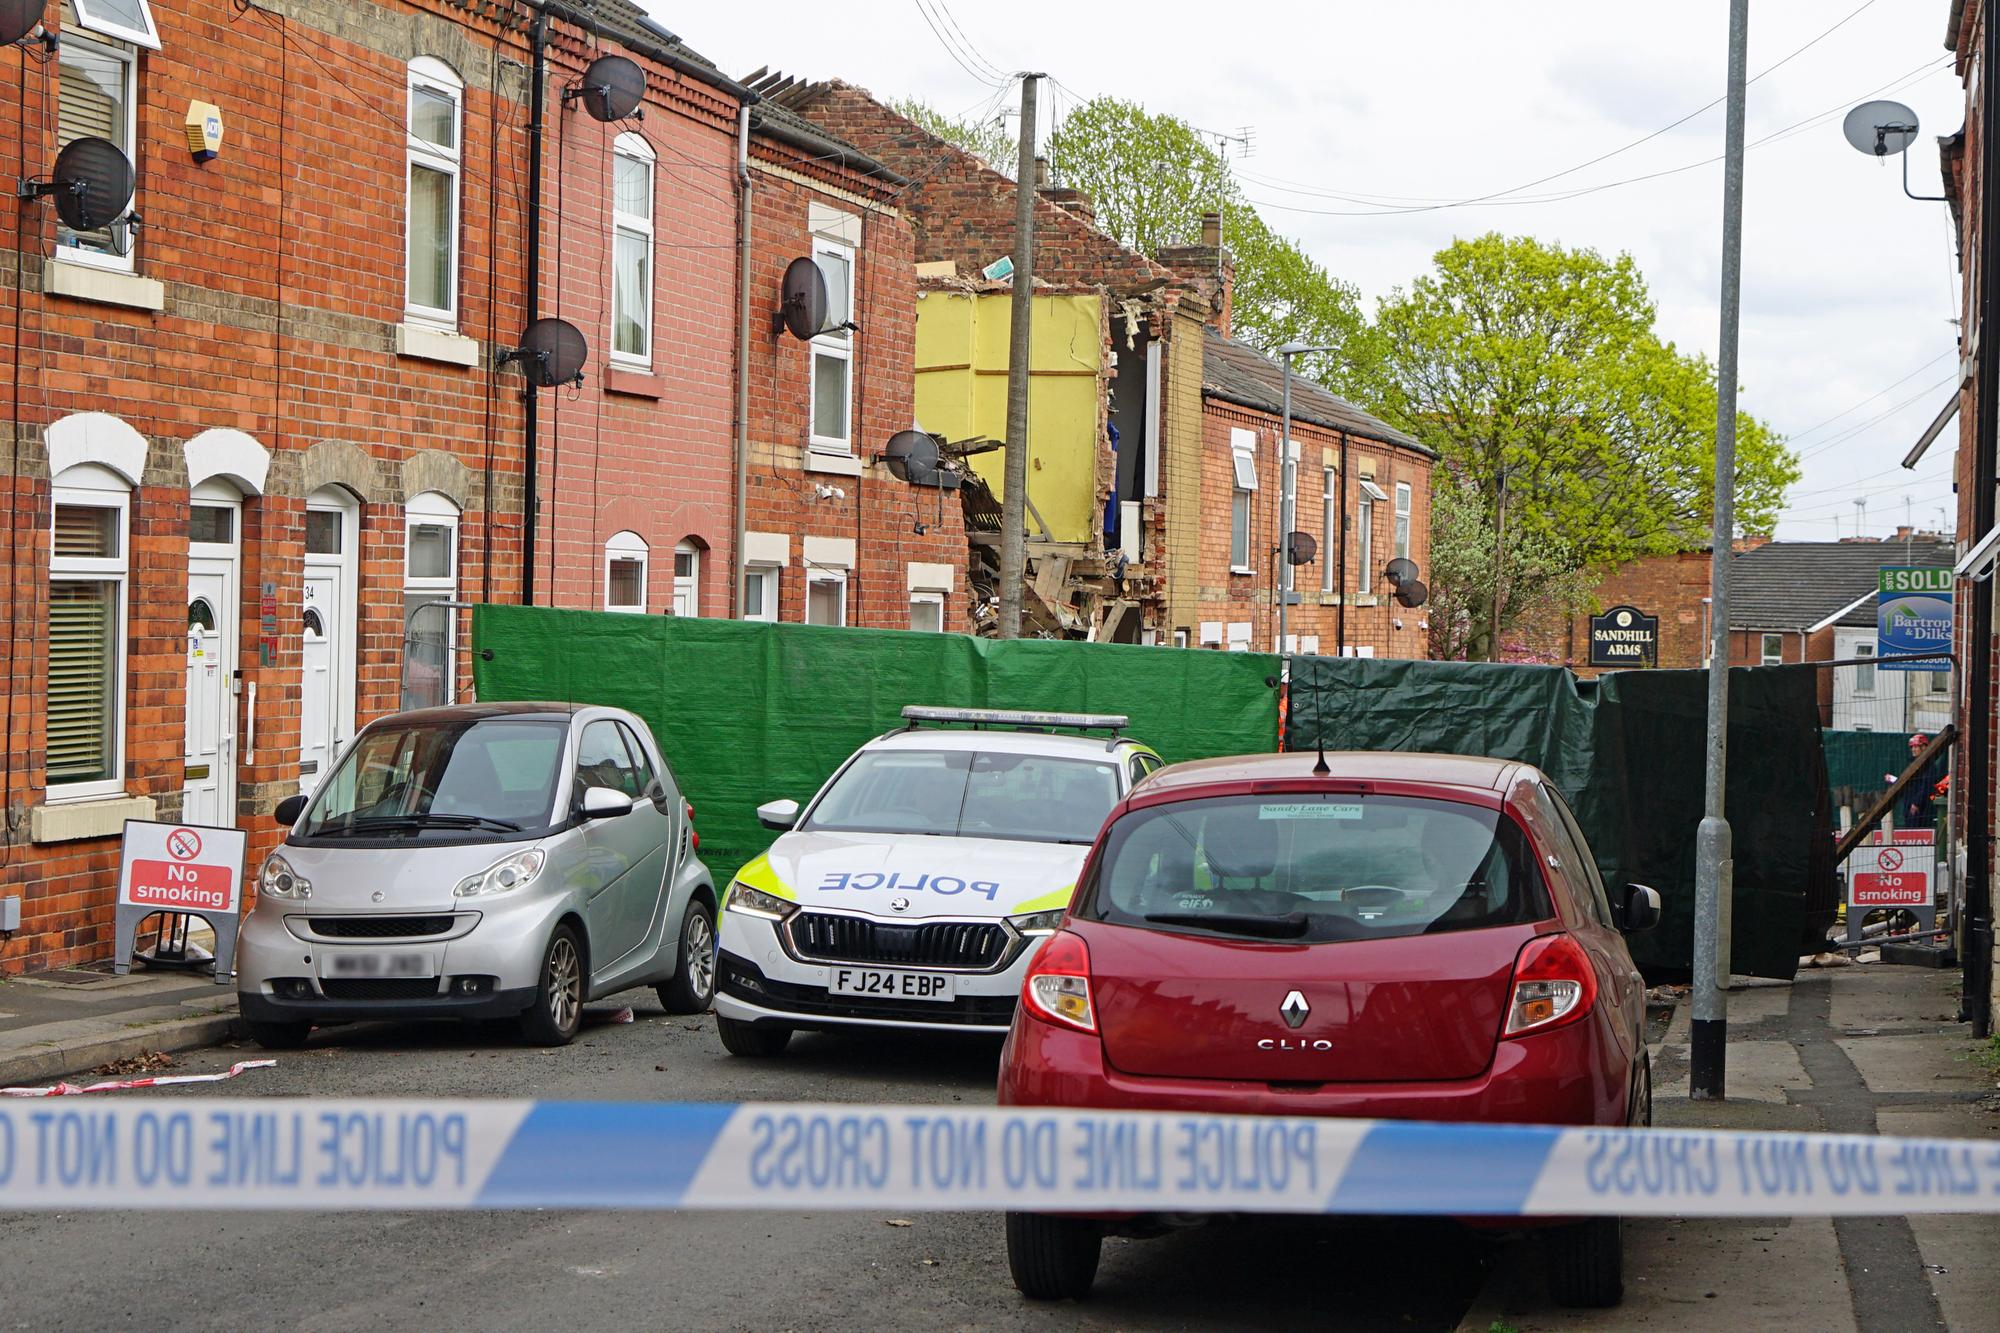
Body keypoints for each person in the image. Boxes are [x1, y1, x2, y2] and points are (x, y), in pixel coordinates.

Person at [1885, 733, 1946, 830]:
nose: (1913, 749)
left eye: (1916, 747)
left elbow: (1927, 786)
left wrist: (1917, 803)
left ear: (1924, 747)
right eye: (1912, 747)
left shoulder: (1929, 766)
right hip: (1909, 805)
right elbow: (1908, 782)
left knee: (1918, 832)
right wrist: (1893, 779)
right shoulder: (1912, 764)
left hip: (1920, 809)